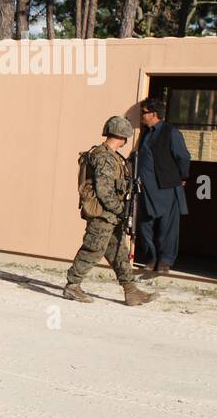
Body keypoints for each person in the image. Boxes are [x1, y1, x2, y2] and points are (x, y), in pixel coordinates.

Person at [64, 115, 155, 306]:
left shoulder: (113, 157)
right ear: (121, 136)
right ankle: (72, 285)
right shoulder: (104, 157)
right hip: (103, 214)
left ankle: (130, 290)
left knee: (118, 252)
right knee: (93, 248)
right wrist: (120, 209)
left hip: (111, 214)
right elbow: (104, 191)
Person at [135, 98, 191, 279]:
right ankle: (151, 259)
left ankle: (165, 262)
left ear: (153, 113)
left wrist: (181, 177)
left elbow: (183, 156)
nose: (141, 116)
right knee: (145, 227)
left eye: (143, 112)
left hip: (166, 188)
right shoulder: (145, 133)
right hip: (145, 189)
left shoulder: (171, 132)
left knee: (167, 228)